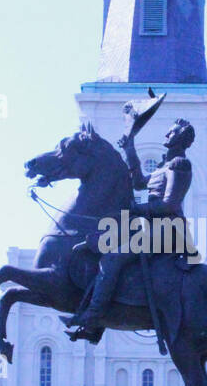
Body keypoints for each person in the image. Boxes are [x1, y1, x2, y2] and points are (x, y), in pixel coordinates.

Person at [63, 115, 195, 339]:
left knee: (113, 258)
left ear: (180, 138)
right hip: (150, 227)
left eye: (171, 133)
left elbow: (169, 204)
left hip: (168, 230)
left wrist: (136, 209)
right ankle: (95, 326)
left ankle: (94, 318)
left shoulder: (179, 165)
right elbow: (140, 182)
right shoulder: (164, 166)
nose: (166, 135)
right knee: (99, 245)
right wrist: (130, 148)